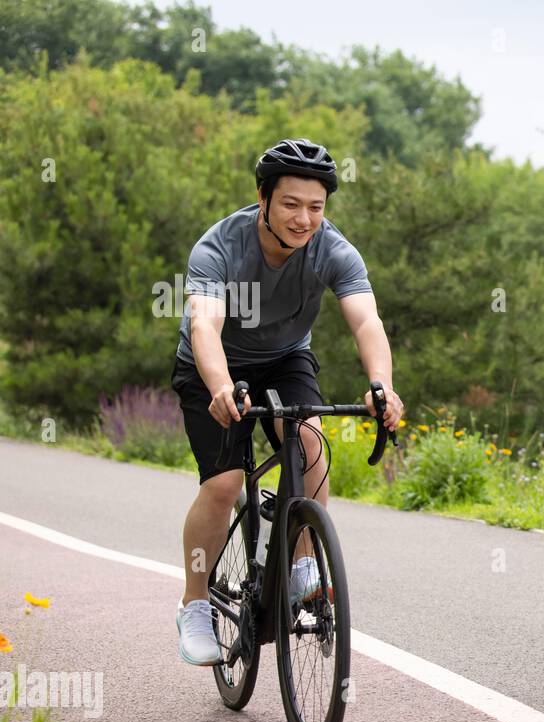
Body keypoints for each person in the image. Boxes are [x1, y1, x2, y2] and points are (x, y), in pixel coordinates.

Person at [170, 138, 404, 666]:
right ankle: (195, 602)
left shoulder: (334, 249)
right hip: (213, 364)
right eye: (291, 205)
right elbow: (204, 323)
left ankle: (302, 568)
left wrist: (382, 384)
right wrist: (221, 387)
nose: (304, 219)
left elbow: (367, 320)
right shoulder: (220, 246)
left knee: (310, 445)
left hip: (284, 357)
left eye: (316, 207)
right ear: (263, 199)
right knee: (226, 483)